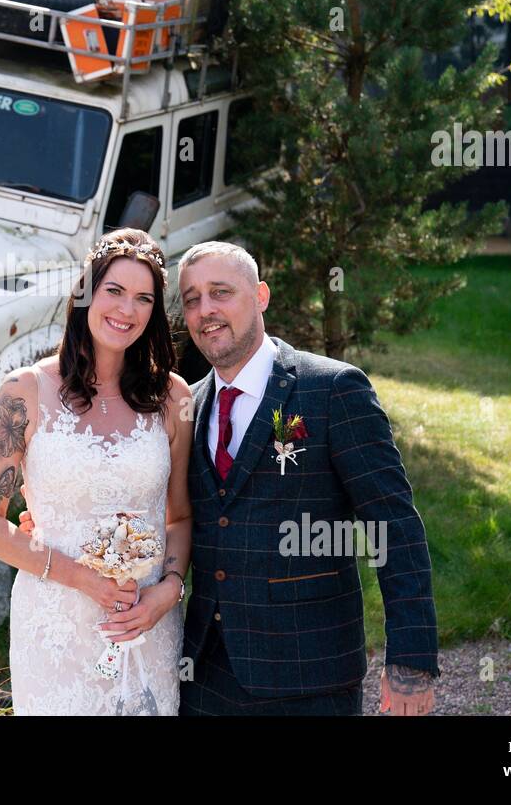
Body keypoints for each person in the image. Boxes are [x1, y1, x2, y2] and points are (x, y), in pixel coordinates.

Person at [22, 240, 441, 715]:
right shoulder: (184, 405)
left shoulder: (332, 390)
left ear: (260, 296)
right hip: (204, 674)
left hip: (310, 676)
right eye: (194, 298)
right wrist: (57, 518)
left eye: (221, 292)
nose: (207, 310)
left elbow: (394, 527)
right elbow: (160, 512)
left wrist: (411, 663)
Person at [0, 228, 192, 715]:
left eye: (143, 299)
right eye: (114, 291)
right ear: (86, 293)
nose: (125, 311)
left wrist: (168, 592)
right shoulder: (22, 392)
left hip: (146, 623)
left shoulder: (174, 399)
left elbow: (179, 518)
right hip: (54, 626)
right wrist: (84, 579)